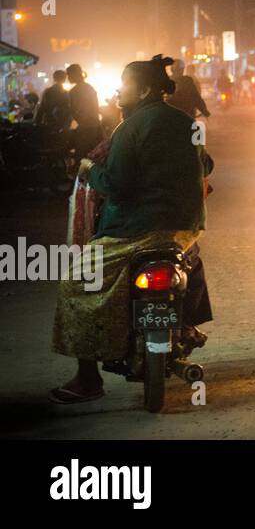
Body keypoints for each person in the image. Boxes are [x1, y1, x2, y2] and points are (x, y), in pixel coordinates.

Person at [49, 55, 214, 404]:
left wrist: (88, 169)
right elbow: (207, 163)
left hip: (137, 231)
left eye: (124, 83)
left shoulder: (131, 127)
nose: (118, 89)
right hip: (184, 231)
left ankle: (88, 378)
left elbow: (118, 186)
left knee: (75, 281)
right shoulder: (186, 122)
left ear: (144, 90)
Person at [65, 64, 103, 159]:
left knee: (82, 157)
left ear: (74, 75)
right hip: (95, 127)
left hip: (86, 129)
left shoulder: (74, 91)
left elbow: (74, 112)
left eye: (69, 75)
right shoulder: (89, 88)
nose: (68, 78)